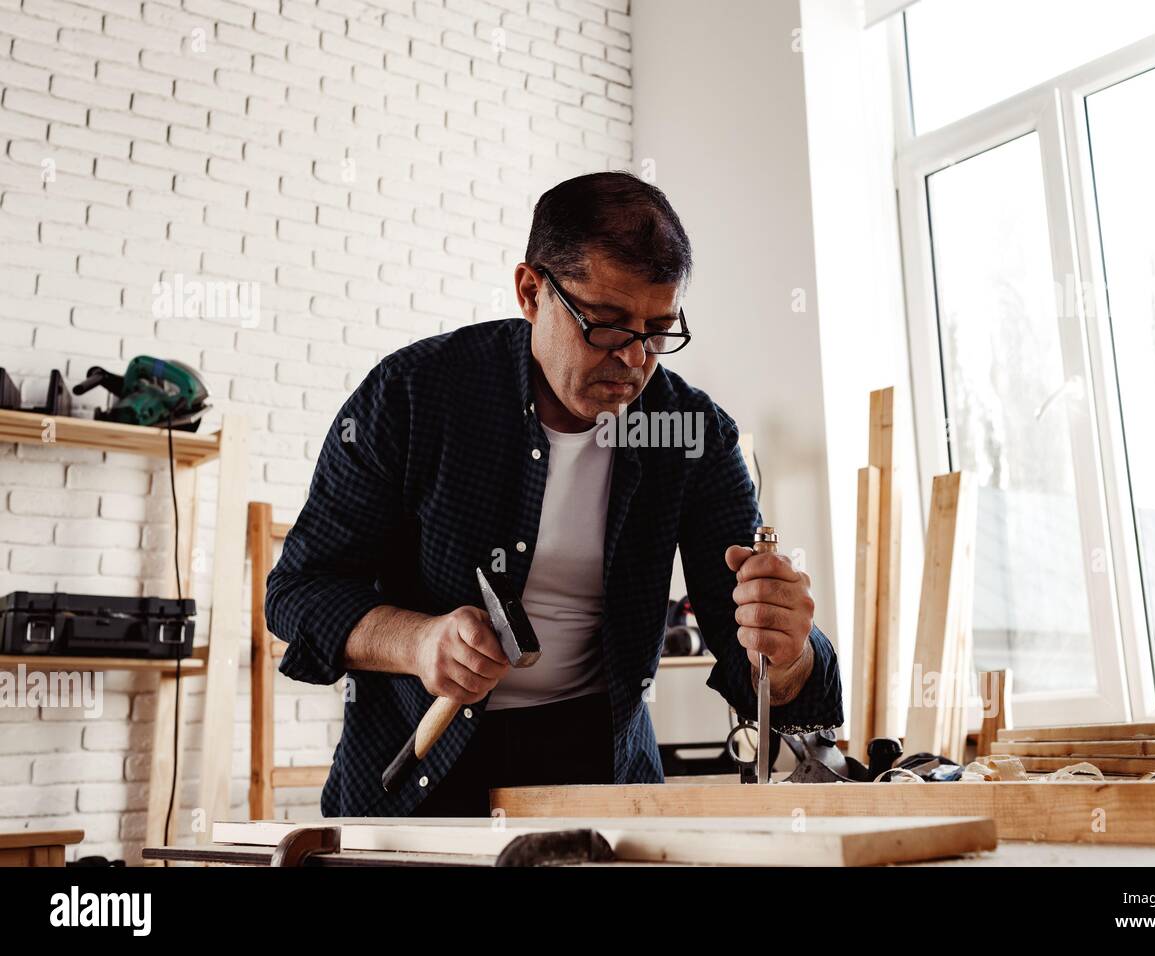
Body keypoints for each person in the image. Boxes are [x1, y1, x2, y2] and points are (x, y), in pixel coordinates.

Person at [265, 170, 844, 817]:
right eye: (606, 325)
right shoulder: (415, 395)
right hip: (416, 777)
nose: (633, 361)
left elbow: (757, 667)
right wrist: (418, 642)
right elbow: (297, 592)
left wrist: (788, 651)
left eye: (657, 332)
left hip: (600, 778)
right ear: (531, 291)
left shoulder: (692, 434)